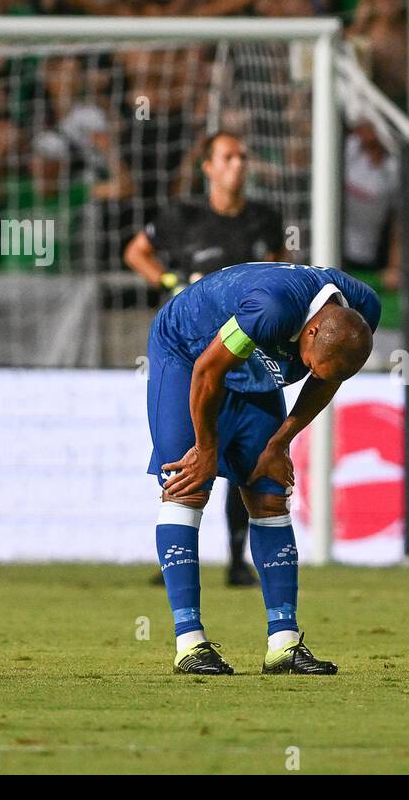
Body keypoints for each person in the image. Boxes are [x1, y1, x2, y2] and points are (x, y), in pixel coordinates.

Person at [146, 261, 379, 675]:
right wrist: (205, 448)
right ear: (309, 332)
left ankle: (284, 644)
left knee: (270, 491)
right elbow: (209, 369)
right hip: (189, 352)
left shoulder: (363, 310)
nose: (310, 373)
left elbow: (327, 377)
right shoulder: (272, 307)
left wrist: (280, 442)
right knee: (188, 485)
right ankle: (189, 643)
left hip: (254, 359)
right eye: (309, 362)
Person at [125, 131, 284, 587]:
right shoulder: (182, 216)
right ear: (208, 168)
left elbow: (279, 267)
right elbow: (136, 251)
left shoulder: (265, 220)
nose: (238, 164)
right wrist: (170, 281)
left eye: (243, 156)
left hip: (247, 358)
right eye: (228, 157)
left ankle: (237, 558)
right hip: (191, 354)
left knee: (244, 460)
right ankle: (178, 557)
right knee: (186, 451)